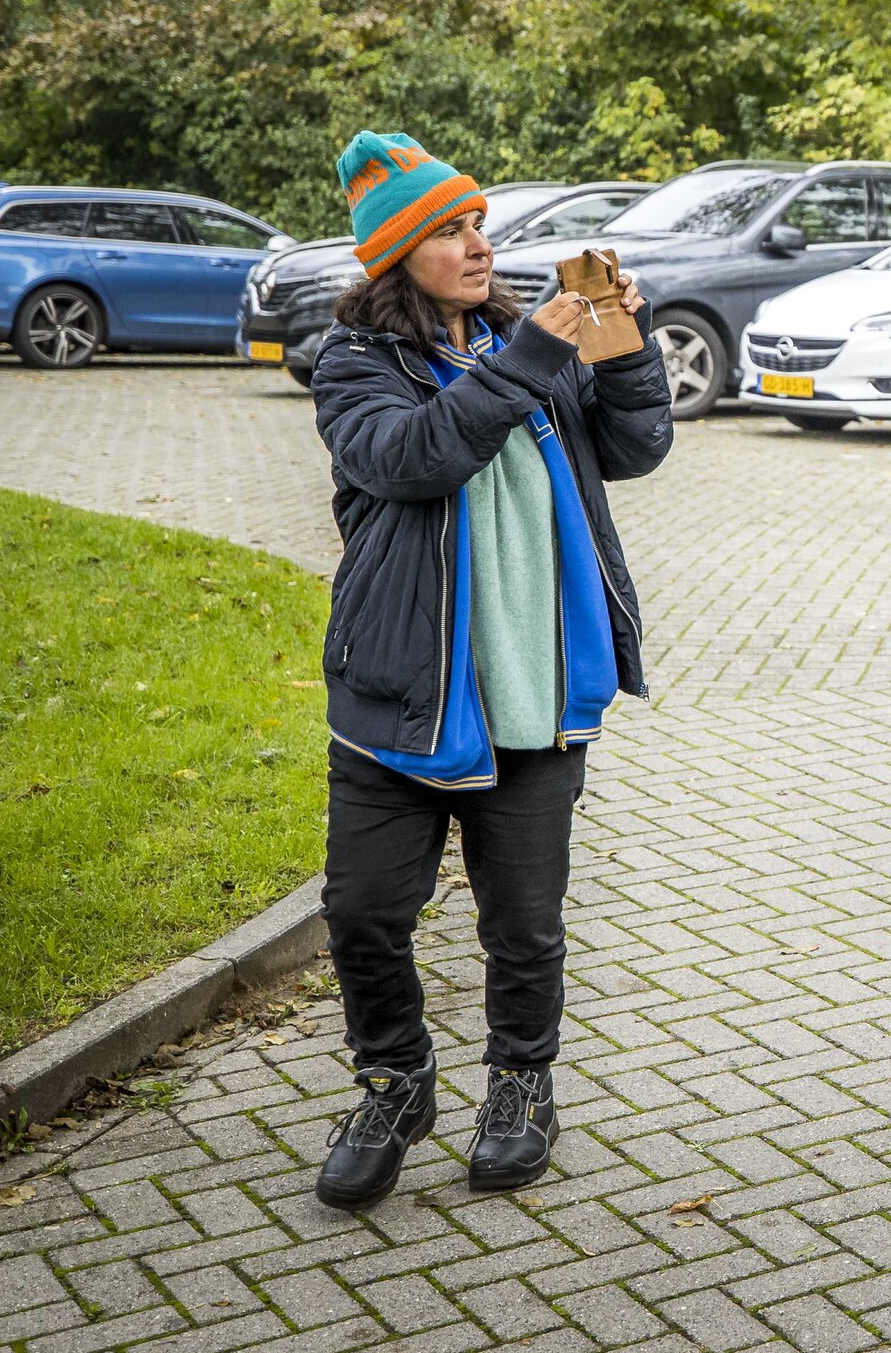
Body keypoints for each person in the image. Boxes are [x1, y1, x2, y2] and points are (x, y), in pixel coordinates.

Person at [309, 132, 672, 1209]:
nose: (478, 243)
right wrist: (532, 358)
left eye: (478, 223)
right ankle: (394, 1081)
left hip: (536, 684)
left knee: (525, 924)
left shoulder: (527, 337)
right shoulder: (355, 363)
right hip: (403, 691)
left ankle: (520, 1083)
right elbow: (410, 458)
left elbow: (635, 448)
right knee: (363, 913)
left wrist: (624, 345)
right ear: (396, 257)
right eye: (449, 231)